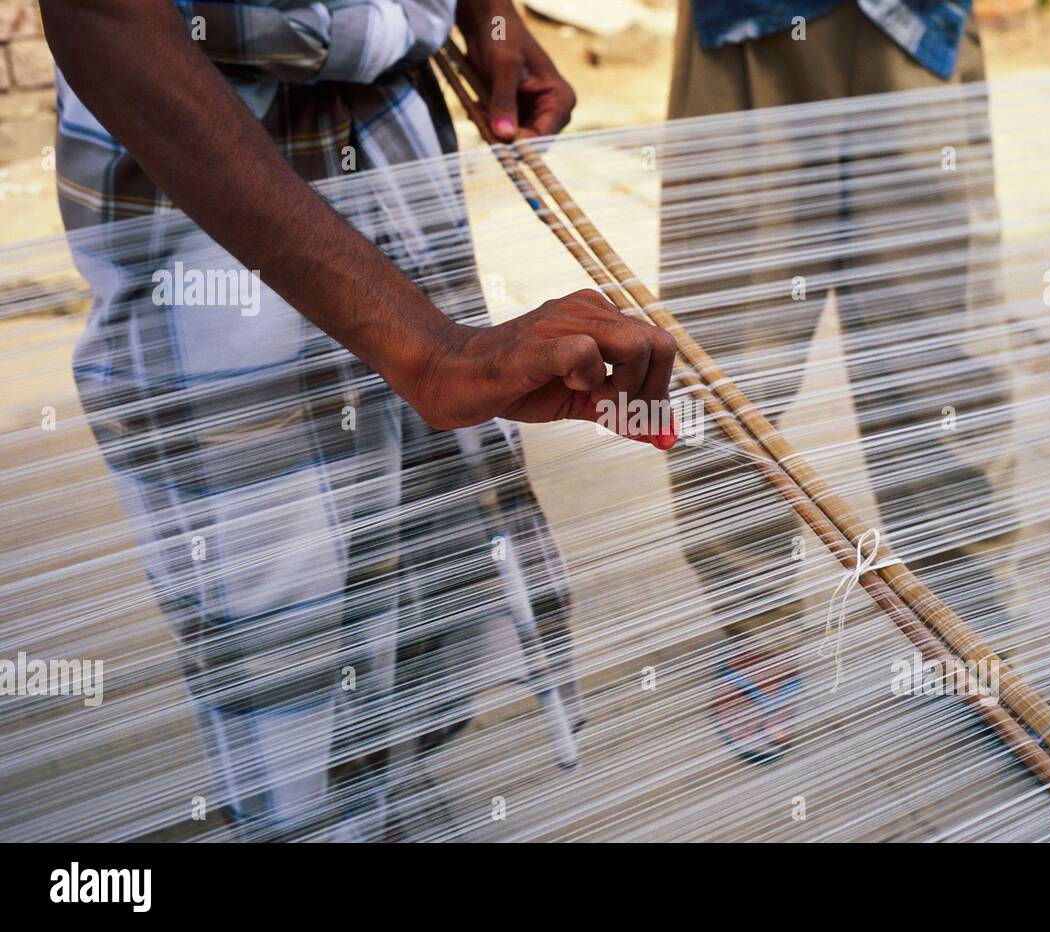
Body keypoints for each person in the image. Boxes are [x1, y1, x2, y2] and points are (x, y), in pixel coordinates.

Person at [41, 0, 675, 840]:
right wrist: (428, 351)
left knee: (421, 543)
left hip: (383, 117)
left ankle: (383, 788)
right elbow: (103, 15)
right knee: (279, 591)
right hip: (201, 155)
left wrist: (489, 18)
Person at [660, 0, 1018, 761]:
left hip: (916, 25)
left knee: (948, 357)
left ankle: (974, 637)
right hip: (748, 29)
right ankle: (755, 632)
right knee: (727, 358)